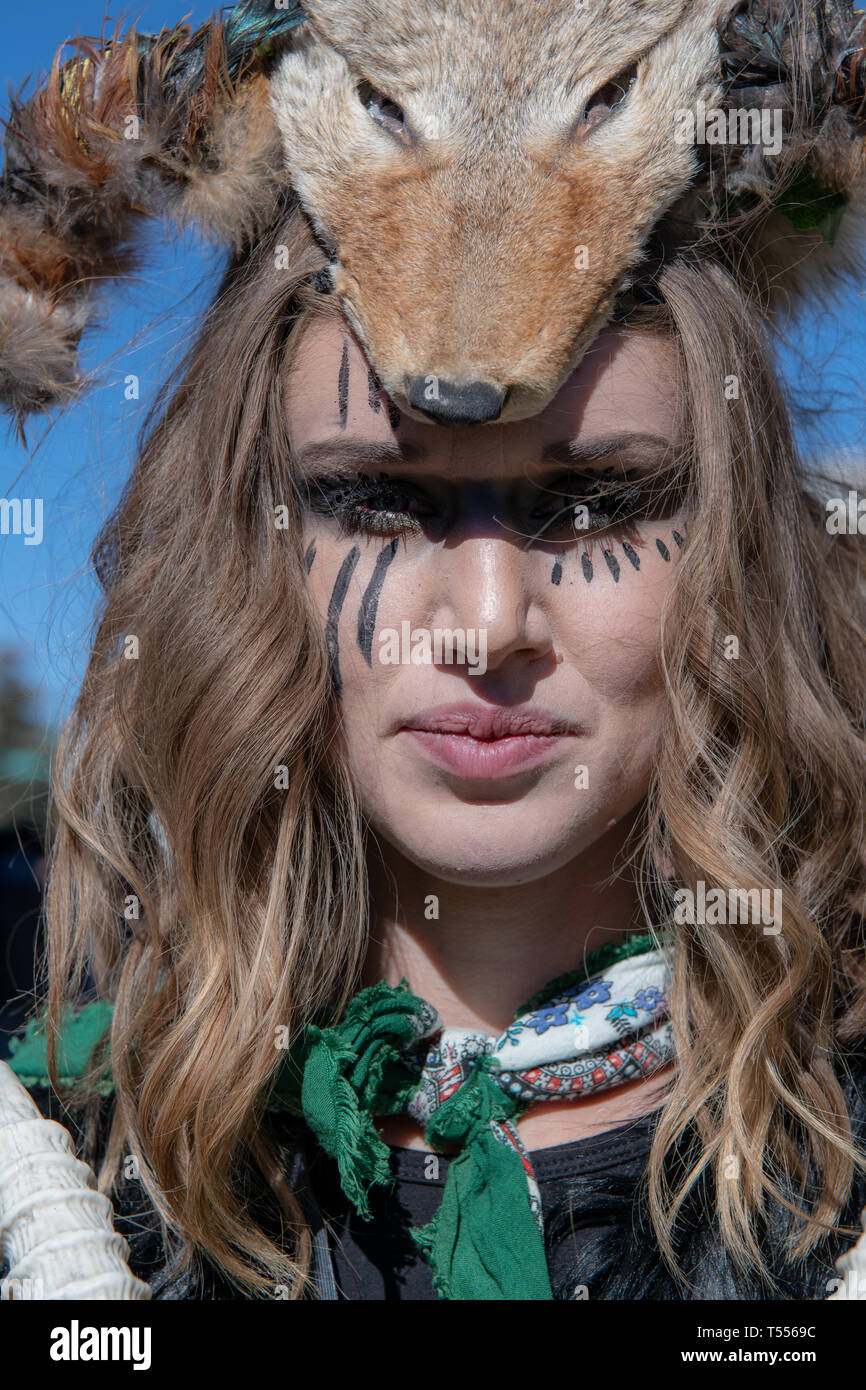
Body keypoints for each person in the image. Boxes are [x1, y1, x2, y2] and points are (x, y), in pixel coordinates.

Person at [4, 195, 866, 1300]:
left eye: (596, 501)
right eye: (376, 499)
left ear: (732, 547)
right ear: (246, 559)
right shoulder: (65, 1169)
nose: (487, 620)